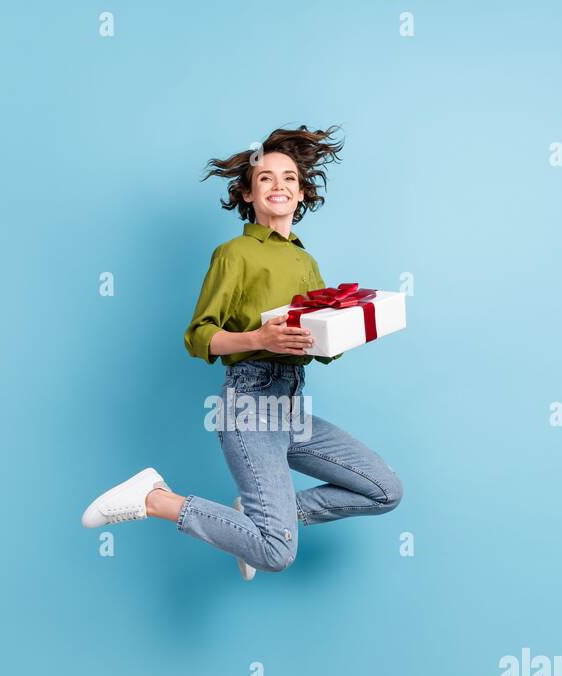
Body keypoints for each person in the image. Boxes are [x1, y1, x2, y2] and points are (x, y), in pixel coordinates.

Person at [80, 125, 402, 579]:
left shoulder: (305, 261)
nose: (279, 186)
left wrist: (351, 328)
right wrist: (259, 339)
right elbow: (199, 337)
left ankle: (257, 516)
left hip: (290, 408)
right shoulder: (235, 254)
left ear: (302, 193)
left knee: (384, 490)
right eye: (266, 178)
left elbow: (320, 345)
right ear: (248, 194)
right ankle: (155, 498)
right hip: (248, 406)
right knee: (275, 552)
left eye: (289, 178)